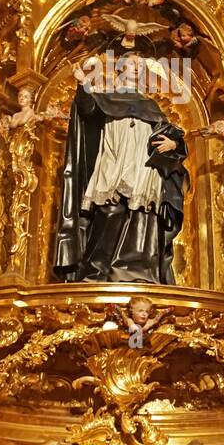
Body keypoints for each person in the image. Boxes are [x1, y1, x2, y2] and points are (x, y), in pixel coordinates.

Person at [53, 53, 188, 285]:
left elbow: (173, 135)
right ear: (120, 68)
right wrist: (82, 83)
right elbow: (87, 112)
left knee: (143, 216)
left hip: (143, 167)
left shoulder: (150, 104)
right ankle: (99, 271)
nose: (136, 68)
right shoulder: (106, 98)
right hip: (114, 160)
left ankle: (140, 272)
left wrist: (174, 144)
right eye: (131, 64)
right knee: (111, 211)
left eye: (139, 65)